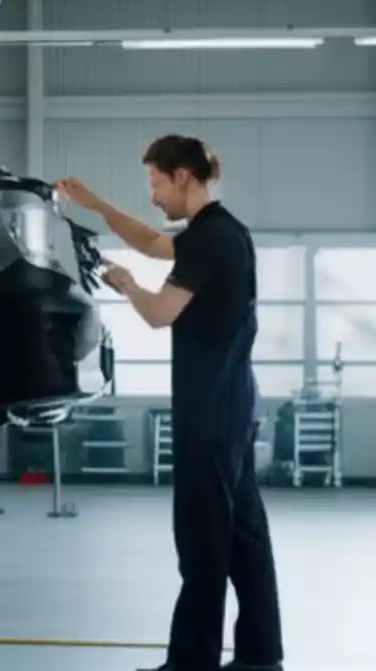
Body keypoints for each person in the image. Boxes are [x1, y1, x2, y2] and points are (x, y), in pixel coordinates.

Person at [56, 134, 283, 671]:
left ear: (184, 176)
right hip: (232, 409)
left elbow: (160, 312)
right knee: (246, 537)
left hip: (207, 415)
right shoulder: (225, 232)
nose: (153, 196)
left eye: (156, 183)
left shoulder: (209, 239)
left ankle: (192, 662)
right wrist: (97, 207)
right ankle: (260, 656)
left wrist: (127, 285)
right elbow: (154, 242)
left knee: (202, 539)